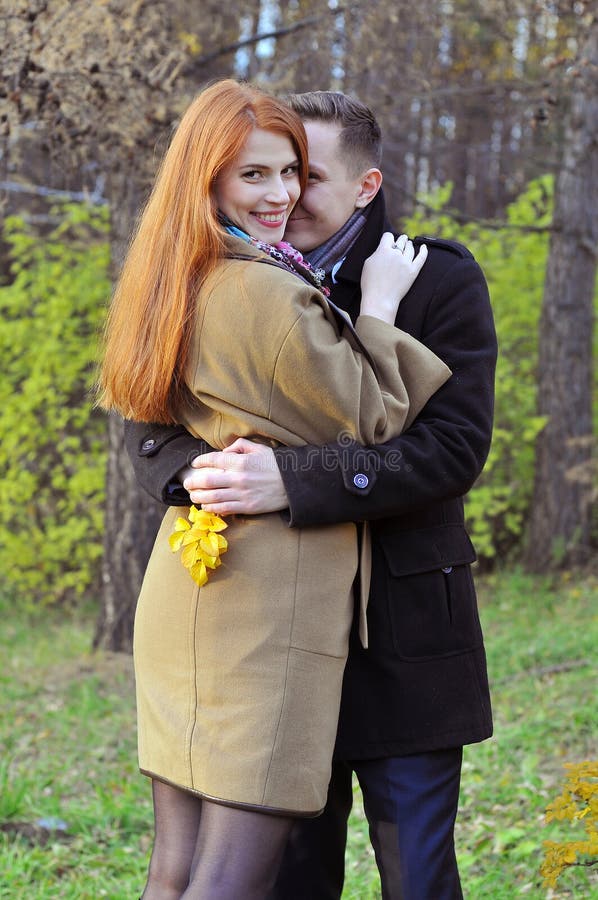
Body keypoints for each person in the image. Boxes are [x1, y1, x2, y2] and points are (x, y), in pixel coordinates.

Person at [125, 90, 498, 900]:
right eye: (261, 172)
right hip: (268, 630)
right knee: (286, 880)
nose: (284, 195)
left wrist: (292, 482)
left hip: (399, 640)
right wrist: (203, 471)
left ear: (364, 187)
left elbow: (452, 451)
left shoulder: (436, 277)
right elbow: (152, 425)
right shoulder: (229, 270)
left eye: (302, 174)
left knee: (418, 878)